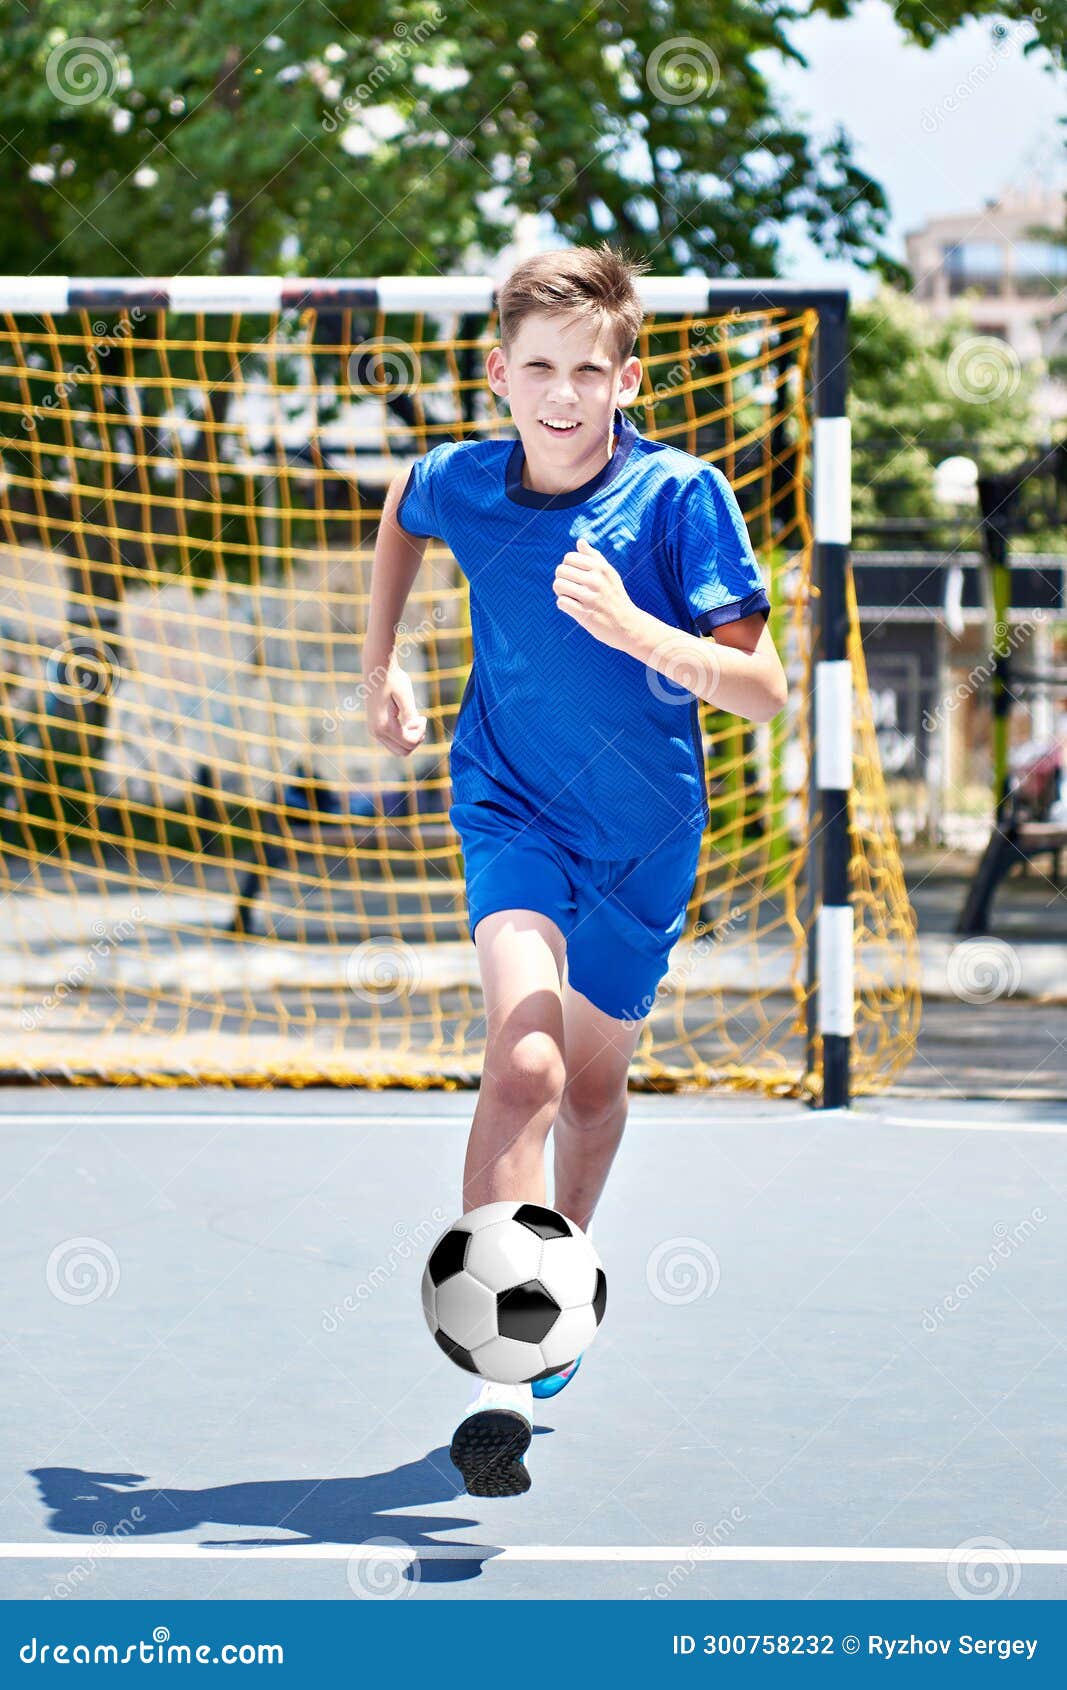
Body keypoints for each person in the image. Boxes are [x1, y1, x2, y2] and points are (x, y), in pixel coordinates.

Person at [362, 242, 788, 1496]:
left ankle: (560, 1281)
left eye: (585, 370)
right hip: (507, 810)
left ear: (622, 374)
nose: (560, 393)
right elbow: (402, 509)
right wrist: (379, 661)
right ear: (498, 373)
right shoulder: (467, 481)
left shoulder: (676, 497)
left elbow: (759, 688)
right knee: (526, 1059)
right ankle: (496, 1388)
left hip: (645, 842)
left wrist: (638, 629)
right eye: (536, 368)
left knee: (592, 1097)